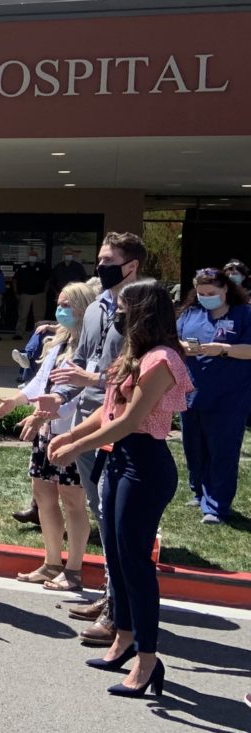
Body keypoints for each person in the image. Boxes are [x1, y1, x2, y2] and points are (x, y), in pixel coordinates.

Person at [49, 280, 192, 698]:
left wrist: (75, 445)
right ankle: (124, 638)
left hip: (144, 466)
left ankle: (148, 659)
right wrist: (69, 435)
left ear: (144, 311)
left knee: (135, 564)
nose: (117, 314)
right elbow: (109, 410)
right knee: (115, 555)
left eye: (125, 308)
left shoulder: (161, 359)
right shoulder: (133, 355)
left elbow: (131, 420)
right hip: (118, 461)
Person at [47, 232, 146, 645]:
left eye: (108, 259)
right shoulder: (94, 310)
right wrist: (58, 396)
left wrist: (88, 378)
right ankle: (111, 598)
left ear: (131, 266)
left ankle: (119, 612)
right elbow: (83, 364)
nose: (99, 266)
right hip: (90, 420)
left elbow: (145, 370)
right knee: (101, 512)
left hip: (125, 425)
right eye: (100, 258)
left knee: (119, 520)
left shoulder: (146, 307)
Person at [0, 281, 99, 592]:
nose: (60, 310)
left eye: (68, 305)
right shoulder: (57, 343)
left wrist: (45, 415)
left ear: (84, 309)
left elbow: (83, 395)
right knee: (43, 496)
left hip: (73, 436)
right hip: (47, 435)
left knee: (73, 501)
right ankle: (51, 563)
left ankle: (74, 570)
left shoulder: (91, 349)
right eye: (59, 303)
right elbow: (41, 382)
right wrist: (17, 400)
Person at [176, 268, 251, 524]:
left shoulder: (244, 314)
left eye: (212, 293)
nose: (206, 297)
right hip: (192, 393)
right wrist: (183, 347)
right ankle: (199, 492)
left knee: (222, 450)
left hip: (229, 397)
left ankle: (216, 505)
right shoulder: (191, 314)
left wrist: (224, 349)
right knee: (194, 448)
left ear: (226, 289)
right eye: (201, 293)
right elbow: (174, 341)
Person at [13, 253, 49, 340]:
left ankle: (38, 334)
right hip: (25, 295)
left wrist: (45, 292)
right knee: (22, 315)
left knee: (39, 316)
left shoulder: (42, 267)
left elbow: (47, 280)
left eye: (34, 256)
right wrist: (16, 292)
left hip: (39, 295)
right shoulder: (22, 267)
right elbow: (15, 280)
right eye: (31, 255)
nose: (32, 257)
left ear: (37, 257)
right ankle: (19, 333)